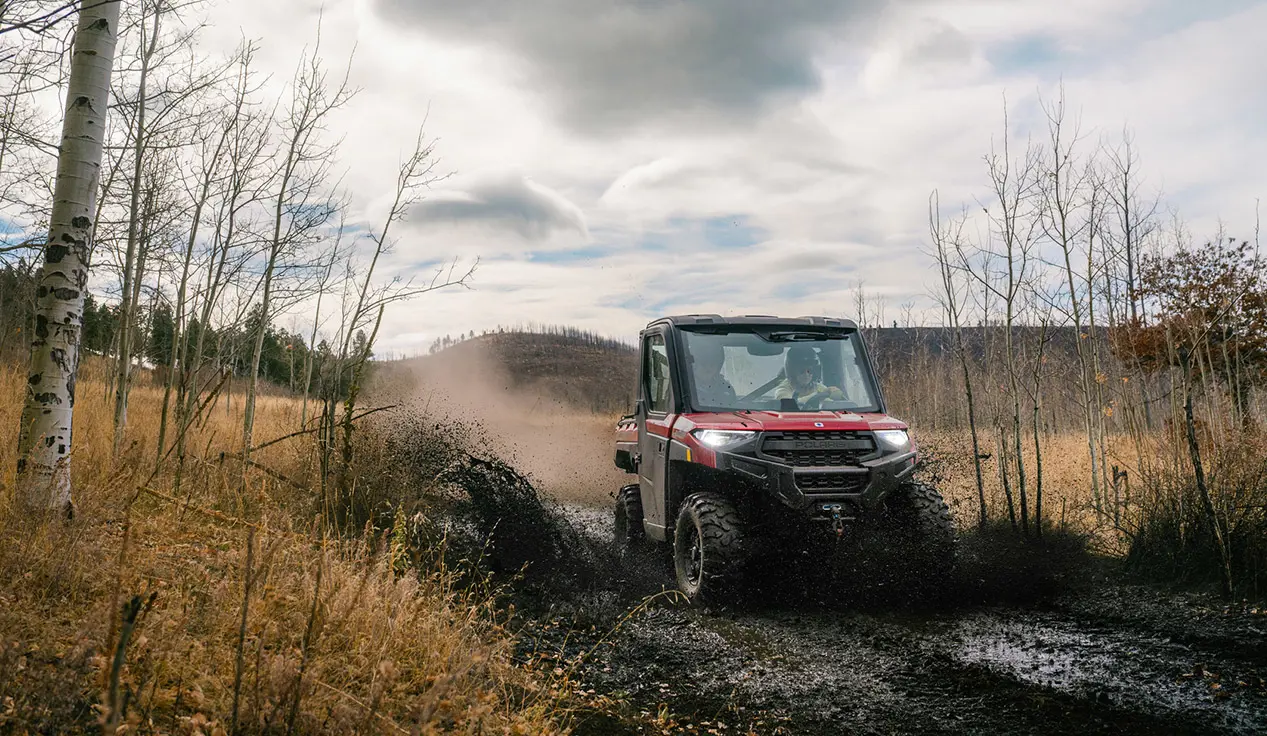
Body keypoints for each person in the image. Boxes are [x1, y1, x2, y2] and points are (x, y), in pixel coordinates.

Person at [774, 345, 846, 409]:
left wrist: (835, 394)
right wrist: (817, 397)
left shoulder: (817, 387)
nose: (806, 374)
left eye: (810, 371)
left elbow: (828, 401)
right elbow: (788, 406)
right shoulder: (783, 389)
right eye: (801, 371)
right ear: (792, 372)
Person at [689, 340, 738, 408]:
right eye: (704, 363)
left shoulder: (727, 389)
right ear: (694, 365)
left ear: (719, 365)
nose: (708, 367)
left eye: (712, 363)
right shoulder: (686, 389)